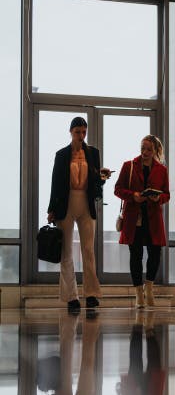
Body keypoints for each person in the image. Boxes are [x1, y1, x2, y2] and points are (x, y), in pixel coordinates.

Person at [47, 117, 111, 312]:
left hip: (86, 202)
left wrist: (103, 177)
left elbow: (96, 182)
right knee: (66, 251)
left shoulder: (93, 153)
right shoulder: (61, 155)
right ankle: (71, 297)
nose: (81, 135)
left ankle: (91, 294)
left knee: (88, 250)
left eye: (84, 132)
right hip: (65, 204)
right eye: (77, 132)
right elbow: (55, 183)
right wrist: (51, 209)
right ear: (71, 132)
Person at [115, 135, 170, 308]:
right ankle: (139, 293)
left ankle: (149, 288)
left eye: (149, 149)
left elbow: (167, 194)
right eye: (142, 148)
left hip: (153, 218)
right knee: (136, 255)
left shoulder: (161, 170)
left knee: (155, 253)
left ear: (156, 151)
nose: (145, 152)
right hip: (134, 218)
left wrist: (157, 198)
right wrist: (133, 196)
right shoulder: (129, 166)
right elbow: (117, 189)